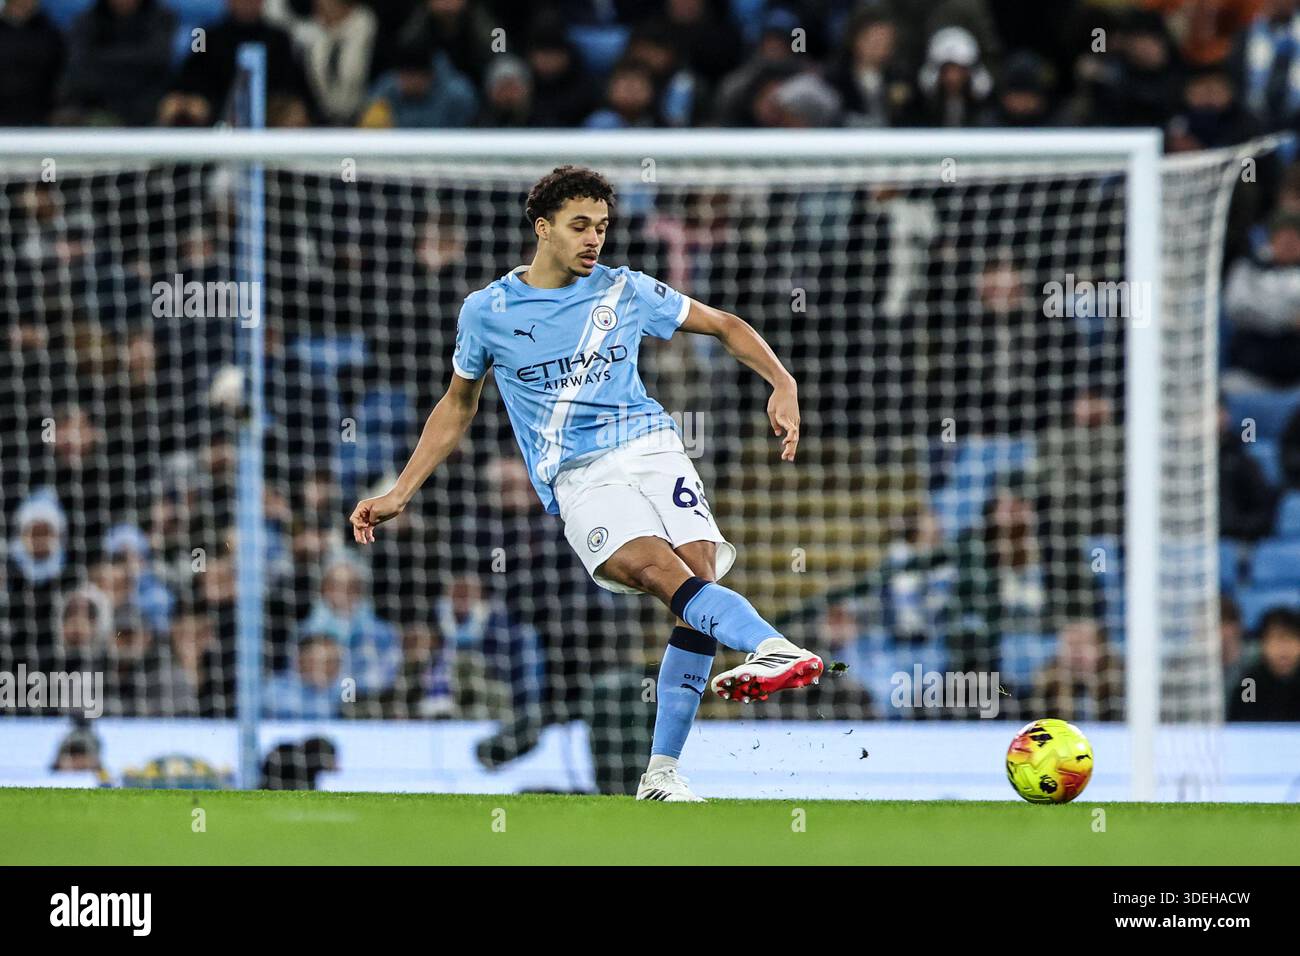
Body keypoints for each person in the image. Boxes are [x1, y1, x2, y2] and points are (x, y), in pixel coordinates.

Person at [351, 166, 823, 802]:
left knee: (698, 588)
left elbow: (725, 325)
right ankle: (772, 647)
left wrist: (783, 381)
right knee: (660, 576)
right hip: (579, 473)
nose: (594, 239)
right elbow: (458, 404)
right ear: (543, 229)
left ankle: (661, 774)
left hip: (655, 448)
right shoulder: (487, 311)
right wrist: (401, 491)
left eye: (601, 227)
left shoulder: (626, 290)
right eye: (580, 226)